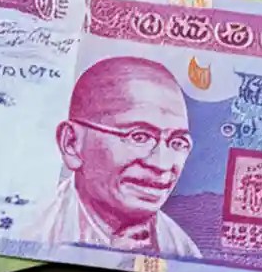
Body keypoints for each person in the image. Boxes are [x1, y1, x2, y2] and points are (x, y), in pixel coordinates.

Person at [25, 56, 201, 257]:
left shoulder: (183, 251)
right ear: (72, 143)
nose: (162, 164)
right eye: (140, 136)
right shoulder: (30, 233)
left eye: (178, 143)